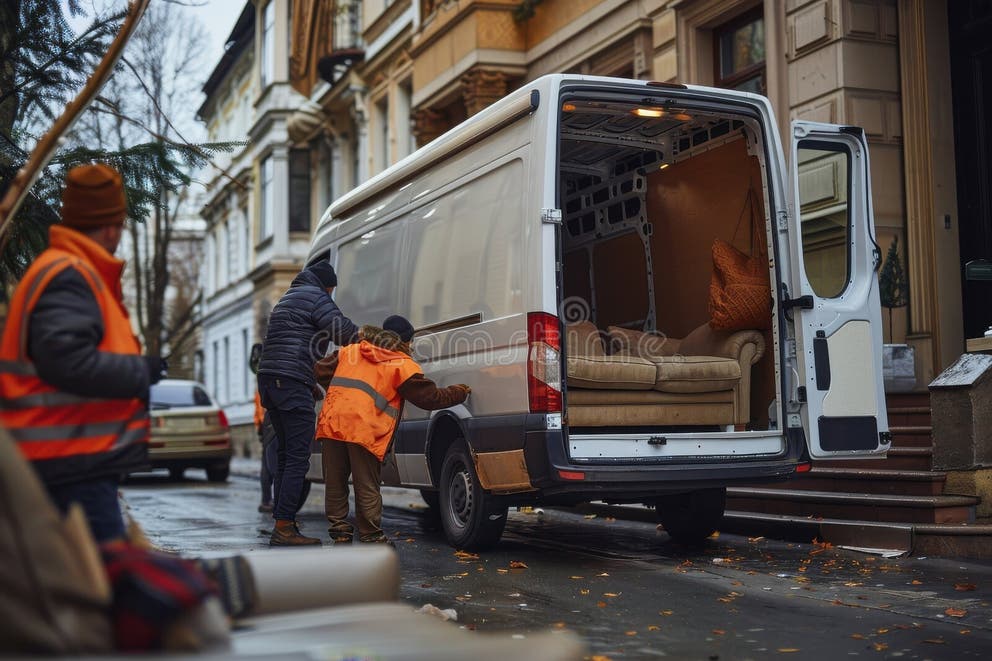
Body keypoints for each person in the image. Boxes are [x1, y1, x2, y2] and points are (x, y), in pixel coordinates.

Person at [0, 162, 166, 543]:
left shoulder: (63, 269)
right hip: (70, 466)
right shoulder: (70, 274)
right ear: (109, 226)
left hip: (66, 460)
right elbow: (66, 360)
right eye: (121, 226)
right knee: (95, 589)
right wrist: (140, 371)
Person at [315, 315, 470, 545]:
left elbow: (319, 370)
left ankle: (340, 531)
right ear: (405, 342)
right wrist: (461, 391)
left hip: (333, 422)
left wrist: (342, 396)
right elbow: (430, 398)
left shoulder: (350, 351)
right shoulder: (400, 363)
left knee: (336, 481)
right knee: (366, 483)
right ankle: (371, 535)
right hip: (364, 429)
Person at [257, 261, 359, 546]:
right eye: (332, 290)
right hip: (288, 383)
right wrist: (373, 338)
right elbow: (345, 332)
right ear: (327, 285)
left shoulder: (288, 298)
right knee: (296, 458)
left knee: (285, 455)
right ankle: (284, 528)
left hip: (271, 381)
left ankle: (283, 522)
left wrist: (308, 383)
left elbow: (287, 347)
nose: (331, 295)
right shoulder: (316, 297)